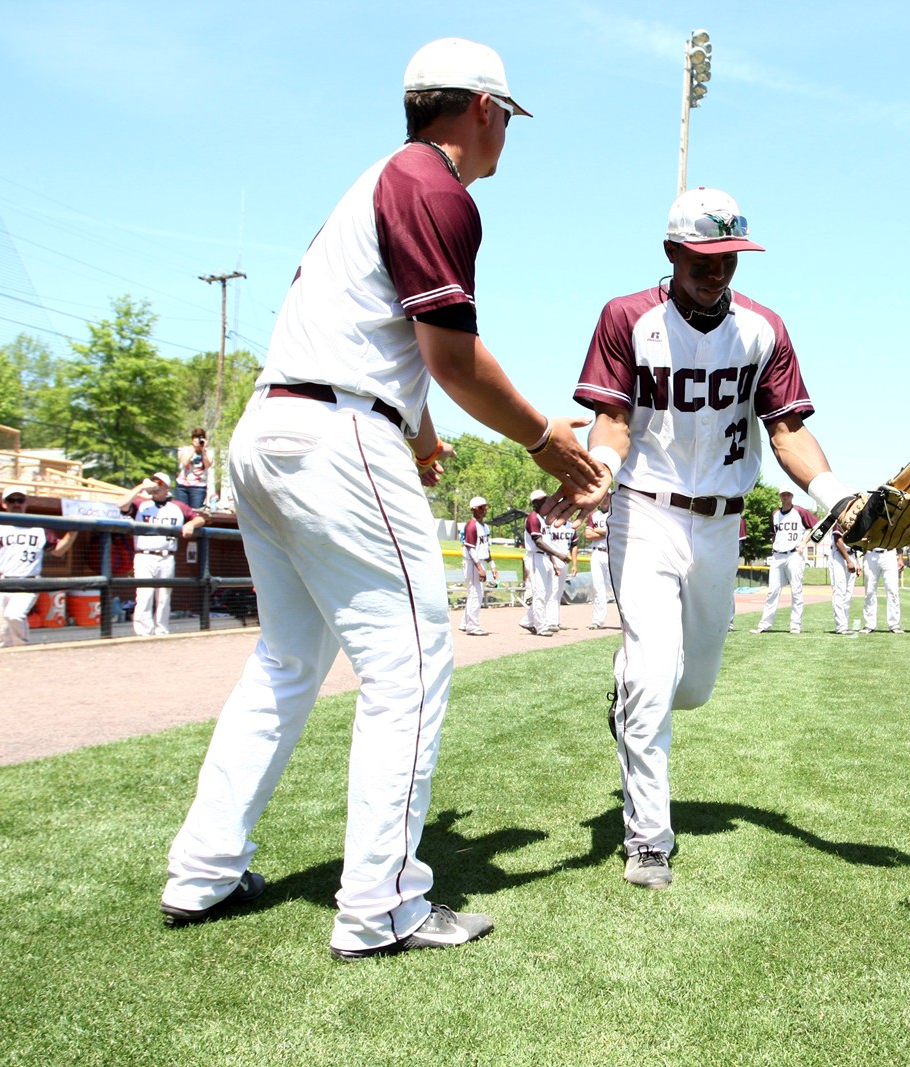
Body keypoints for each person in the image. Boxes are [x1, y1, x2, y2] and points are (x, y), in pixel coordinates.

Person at [160, 38, 603, 959]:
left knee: (286, 663)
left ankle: (201, 871)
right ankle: (383, 904)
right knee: (407, 663)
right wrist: (546, 439)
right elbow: (451, 355)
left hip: (272, 427)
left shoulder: (372, 182)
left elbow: (379, 343)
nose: (506, 137)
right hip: (335, 437)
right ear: (483, 107)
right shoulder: (436, 184)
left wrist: (421, 427)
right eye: (508, 119)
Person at [573, 186, 855, 889]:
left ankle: (633, 690)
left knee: (689, 687)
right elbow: (610, 420)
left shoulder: (764, 328)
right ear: (671, 251)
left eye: (730, 256)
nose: (718, 270)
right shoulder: (627, 316)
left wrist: (837, 497)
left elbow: (787, 432)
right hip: (645, 511)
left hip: (721, 519)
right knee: (650, 670)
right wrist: (600, 472)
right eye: (704, 256)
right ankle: (648, 839)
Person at [0, 488, 77, 647]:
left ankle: (23, 649)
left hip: (28, 582)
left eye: (20, 500)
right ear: (4, 504)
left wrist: (72, 533)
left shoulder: (38, 527)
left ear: (26, 502)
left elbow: (58, 551)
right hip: (0, 582)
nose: (16, 504)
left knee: (14, 615)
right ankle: (6, 663)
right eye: (12, 500)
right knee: (2, 634)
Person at [124, 473, 207, 637]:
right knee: (144, 595)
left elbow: (200, 519)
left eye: (159, 483)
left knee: (163, 597)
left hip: (167, 555)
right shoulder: (142, 503)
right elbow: (121, 504)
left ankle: (162, 630)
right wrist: (141, 486)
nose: (155, 486)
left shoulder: (177, 506)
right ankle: (143, 632)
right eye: (153, 482)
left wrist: (191, 524)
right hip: (144, 555)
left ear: (167, 487)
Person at [751, 489, 815, 634]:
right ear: (780, 497)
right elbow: (773, 533)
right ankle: (764, 625)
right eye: (783, 494)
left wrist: (804, 542)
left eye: (788, 494)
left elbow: (816, 525)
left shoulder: (799, 511)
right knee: (772, 591)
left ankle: (795, 625)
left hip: (794, 555)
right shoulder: (775, 514)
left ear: (792, 496)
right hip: (778, 556)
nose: (785, 497)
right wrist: (774, 545)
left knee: (796, 590)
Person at [519, 489, 566, 636]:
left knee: (546, 593)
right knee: (539, 593)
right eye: (543, 500)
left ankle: (528, 621)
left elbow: (546, 543)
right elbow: (538, 542)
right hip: (535, 557)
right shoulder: (533, 518)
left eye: (546, 500)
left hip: (545, 557)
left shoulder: (543, 519)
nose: (546, 502)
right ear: (535, 503)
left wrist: (553, 561)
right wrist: (558, 555)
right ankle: (541, 626)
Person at [459, 495, 497, 636]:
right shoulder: (471, 525)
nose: (484, 510)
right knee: (476, 594)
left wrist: (492, 565)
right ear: (473, 509)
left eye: (486, 507)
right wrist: (480, 568)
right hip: (472, 563)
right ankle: (472, 626)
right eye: (481, 507)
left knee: (474, 594)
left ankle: (465, 623)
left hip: (479, 561)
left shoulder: (485, 527)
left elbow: (485, 549)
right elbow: (471, 549)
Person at [544, 515, 578, 630]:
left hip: (565, 561)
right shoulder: (551, 526)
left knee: (558, 592)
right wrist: (553, 562)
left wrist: (574, 564)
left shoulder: (570, 527)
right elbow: (546, 545)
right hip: (554, 560)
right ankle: (550, 621)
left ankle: (556, 620)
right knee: (552, 591)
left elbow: (574, 545)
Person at [824, 523, 859, 634]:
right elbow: (838, 540)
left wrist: (856, 561)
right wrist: (849, 561)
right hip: (838, 555)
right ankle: (841, 626)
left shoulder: (857, 518)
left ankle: (845, 624)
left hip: (851, 555)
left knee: (848, 593)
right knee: (839, 590)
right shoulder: (840, 518)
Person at [860, 546, 904, 634]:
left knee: (893, 590)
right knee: (869, 591)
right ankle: (869, 624)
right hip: (871, 553)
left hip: (889, 553)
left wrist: (900, 557)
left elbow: (898, 537)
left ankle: (894, 624)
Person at [585, 493, 612, 629]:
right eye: (604, 497)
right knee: (598, 587)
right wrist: (605, 532)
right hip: (597, 553)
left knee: (617, 588)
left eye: (607, 497)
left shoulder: (616, 513)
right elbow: (588, 534)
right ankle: (598, 620)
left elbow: (614, 532)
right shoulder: (594, 515)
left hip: (612, 554)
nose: (605, 499)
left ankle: (624, 621)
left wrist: (600, 530)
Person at [175, 428, 212, 510]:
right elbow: (184, 462)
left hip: (198, 486)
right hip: (183, 485)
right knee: (181, 510)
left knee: (196, 511)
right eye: (196, 438)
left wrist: (203, 450)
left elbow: (207, 465)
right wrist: (194, 448)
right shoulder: (185, 449)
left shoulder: (208, 452)